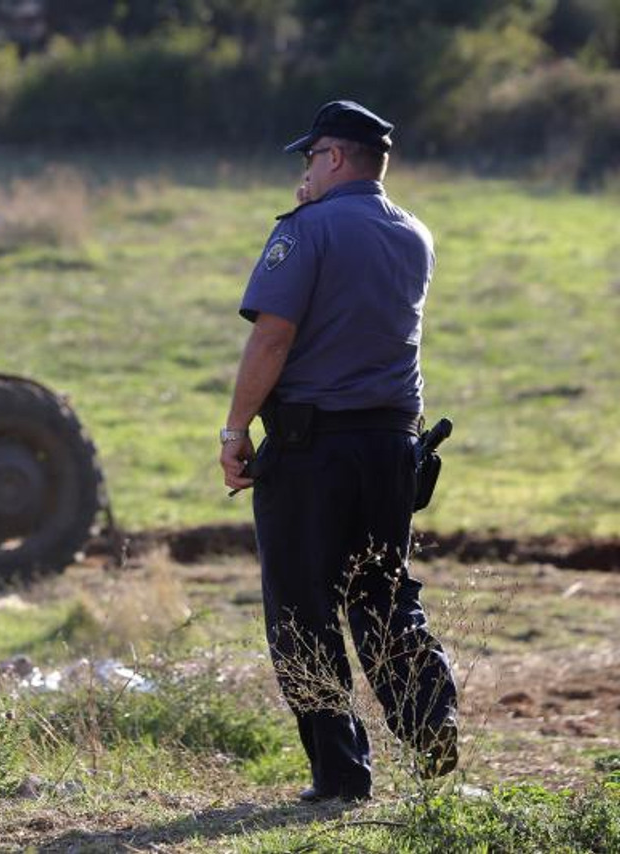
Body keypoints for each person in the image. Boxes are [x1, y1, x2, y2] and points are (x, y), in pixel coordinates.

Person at [218, 100, 459, 803]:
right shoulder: (415, 233)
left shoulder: (306, 230)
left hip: (310, 447)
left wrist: (235, 431)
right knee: (384, 596)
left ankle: (341, 775)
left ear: (332, 157)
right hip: (390, 444)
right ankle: (430, 723)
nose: (303, 171)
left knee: (301, 608)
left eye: (308, 158)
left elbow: (272, 337)